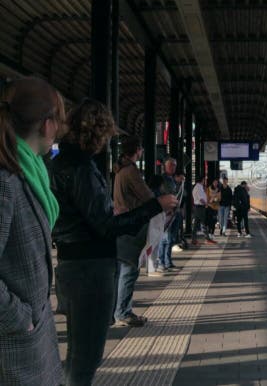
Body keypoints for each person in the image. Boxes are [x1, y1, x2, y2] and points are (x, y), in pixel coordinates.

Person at [51, 98, 178, 385]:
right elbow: (106, 226)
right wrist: (154, 206)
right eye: (106, 135)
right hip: (90, 270)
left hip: (72, 265)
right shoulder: (81, 168)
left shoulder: (60, 163)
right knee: (86, 357)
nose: (107, 142)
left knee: (76, 353)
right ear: (97, 132)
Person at [0, 78, 64, 386]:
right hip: (15, 349)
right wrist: (20, 319)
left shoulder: (28, 173)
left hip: (32, 341)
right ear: (47, 124)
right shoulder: (5, 182)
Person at [112, 135, 151, 327]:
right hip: (132, 226)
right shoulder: (131, 172)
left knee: (122, 271)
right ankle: (123, 313)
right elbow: (147, 196)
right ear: (137, 150)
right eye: (141, 149)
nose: (142, 152)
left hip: (122, 225)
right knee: (129, 270)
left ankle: (119, 311)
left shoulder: (121, 171)